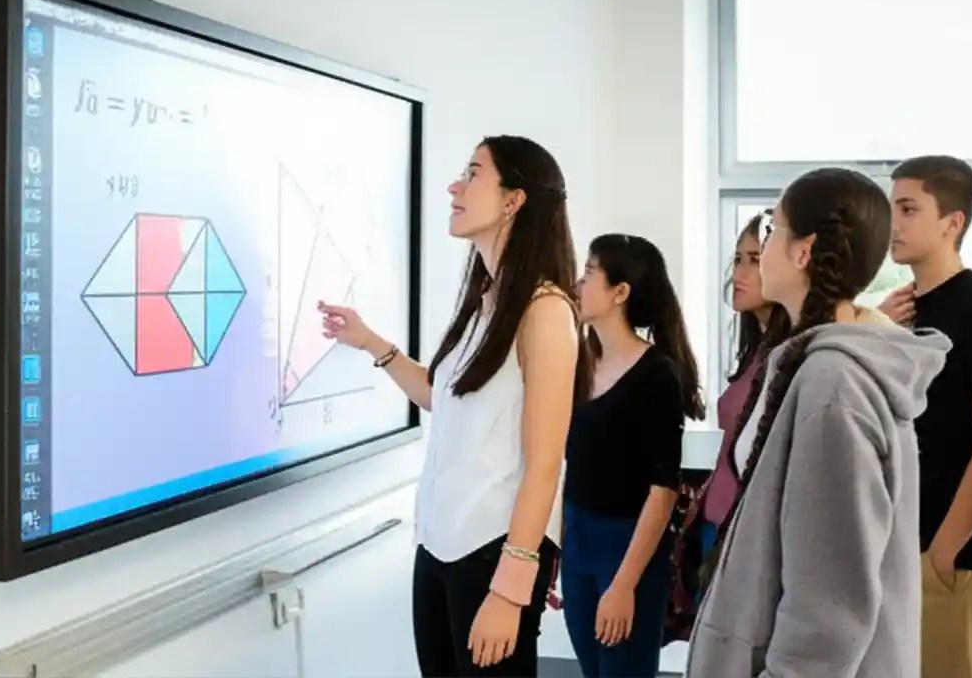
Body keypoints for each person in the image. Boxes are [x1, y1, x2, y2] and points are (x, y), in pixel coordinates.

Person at [318, 135, 588, 677]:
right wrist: (372, 342)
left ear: (514, 200)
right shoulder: (484, 303)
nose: (453, 186)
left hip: (492, 553)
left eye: (472, 174)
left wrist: (511, 592)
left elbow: (544, 464)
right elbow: (439, 395)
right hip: (438, 543)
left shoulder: (546, 311)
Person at [686, 167, 951, 677]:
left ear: (803, 250)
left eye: (771, 233)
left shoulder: (833, 384)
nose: (761, 250)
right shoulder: (803, 362)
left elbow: (830, 602)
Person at [879, 155, 972, 678]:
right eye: (891, 206)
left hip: (952, 556)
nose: (892, 222)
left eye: (909, 208)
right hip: (903, 545)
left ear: (952, 222)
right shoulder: (904, 309)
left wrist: (943, 555)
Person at [560, 233, 705, 677]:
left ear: (620, 292)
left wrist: (624, 584)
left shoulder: (657, 374)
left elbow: (662, 491)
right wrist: (557, 547)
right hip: (579, 545)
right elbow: (575, 467)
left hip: (628, 551)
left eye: (587, 275)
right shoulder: (581, 362)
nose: (576, 285)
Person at [700, 213, 790, 557]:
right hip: (720, 521)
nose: (739, 273)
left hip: (752, 534)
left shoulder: (791, 355)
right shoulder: (757, 349)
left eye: (755, 259)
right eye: (738, 259)